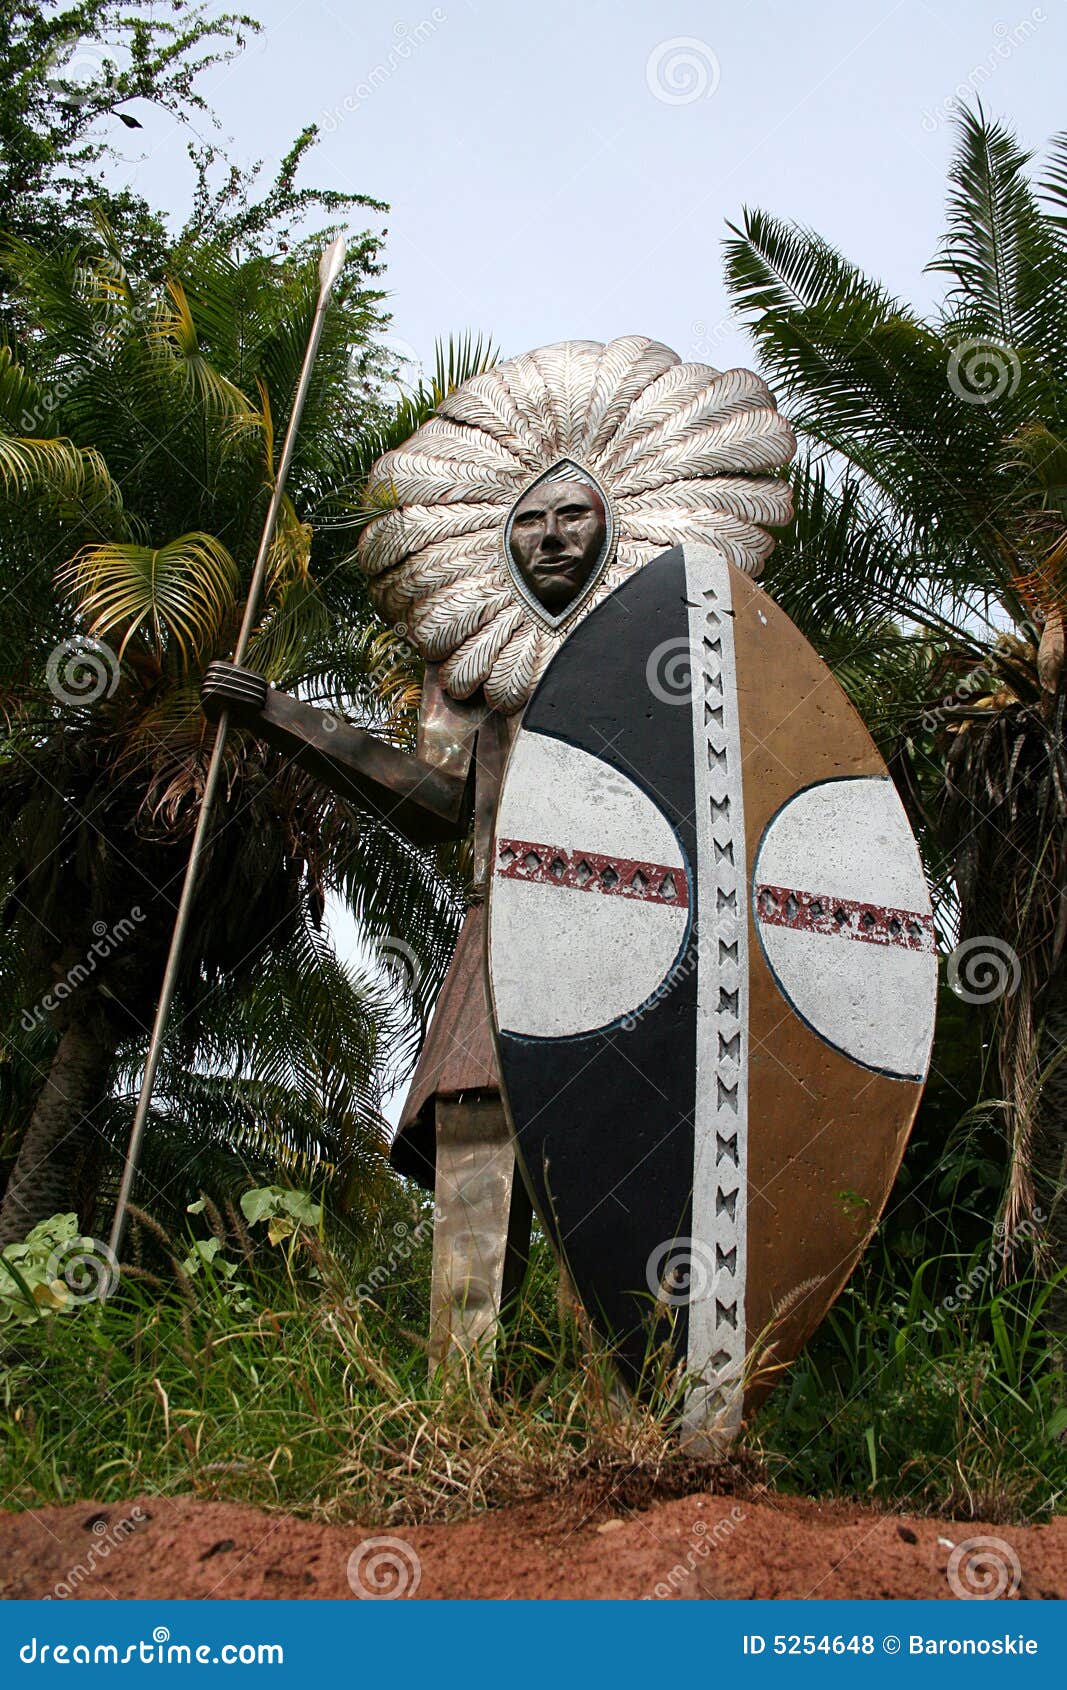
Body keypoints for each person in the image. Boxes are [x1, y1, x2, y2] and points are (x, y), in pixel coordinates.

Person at [202, 336, 796, 1372]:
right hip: (495, 928)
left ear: (617, 521)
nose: (552, 536)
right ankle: (456, 1408)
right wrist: (283, 718)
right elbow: (433, 799)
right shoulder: (467, 668)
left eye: (572, 514)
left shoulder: (678, 660)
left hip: (633, 933)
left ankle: (609, 1410)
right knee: (477, 1136)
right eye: (529, 518)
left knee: (606, 1150)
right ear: (496, 537)